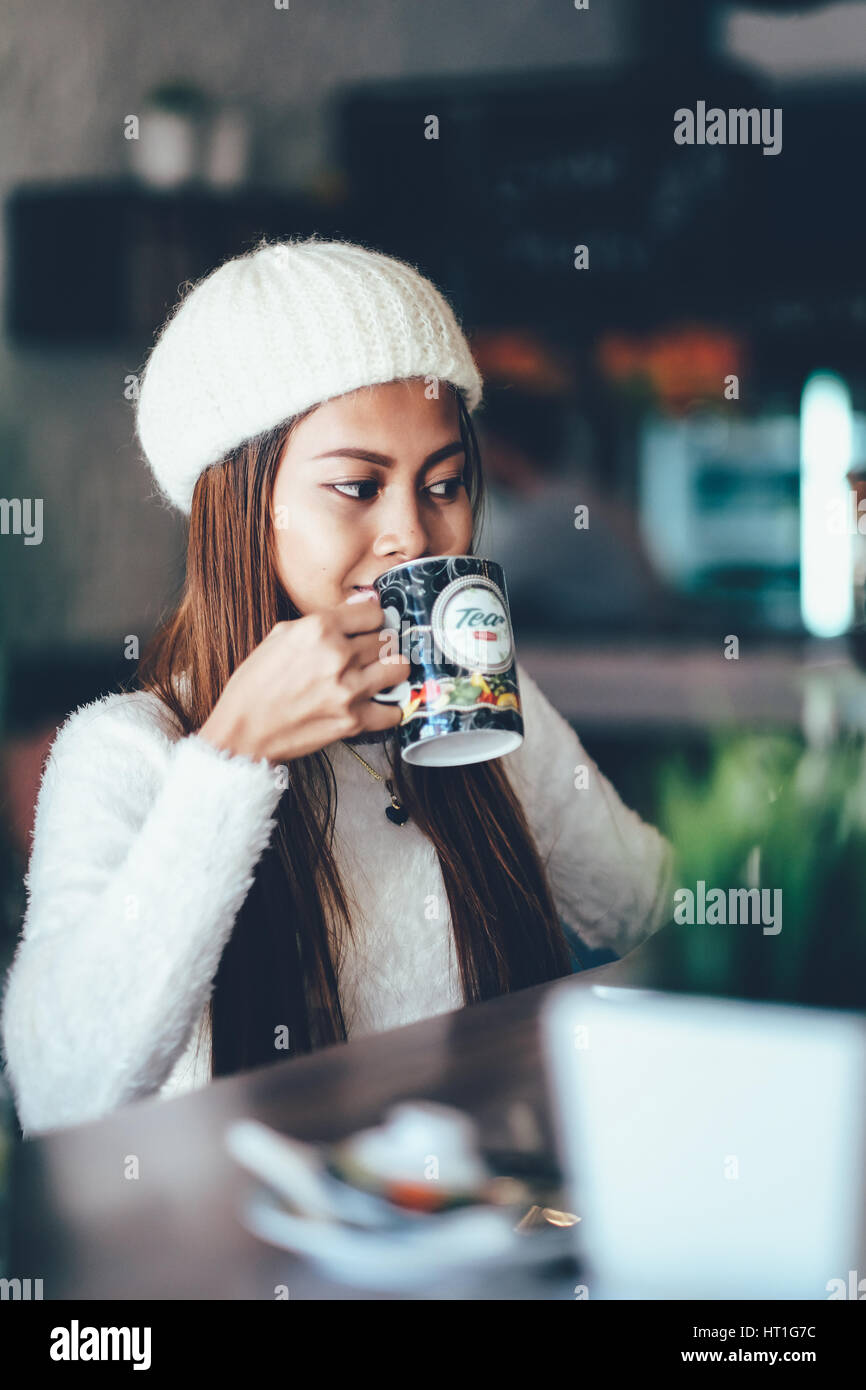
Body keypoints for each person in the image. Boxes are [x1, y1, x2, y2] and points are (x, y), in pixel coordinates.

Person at [0, 237, 673, 1137]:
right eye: (358, 486)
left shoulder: (491, 712)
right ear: (241, 506)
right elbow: (59, 1092)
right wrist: (233, 757)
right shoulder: (126, 750)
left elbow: (657, 914)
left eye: (445, 485)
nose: (413, 533)